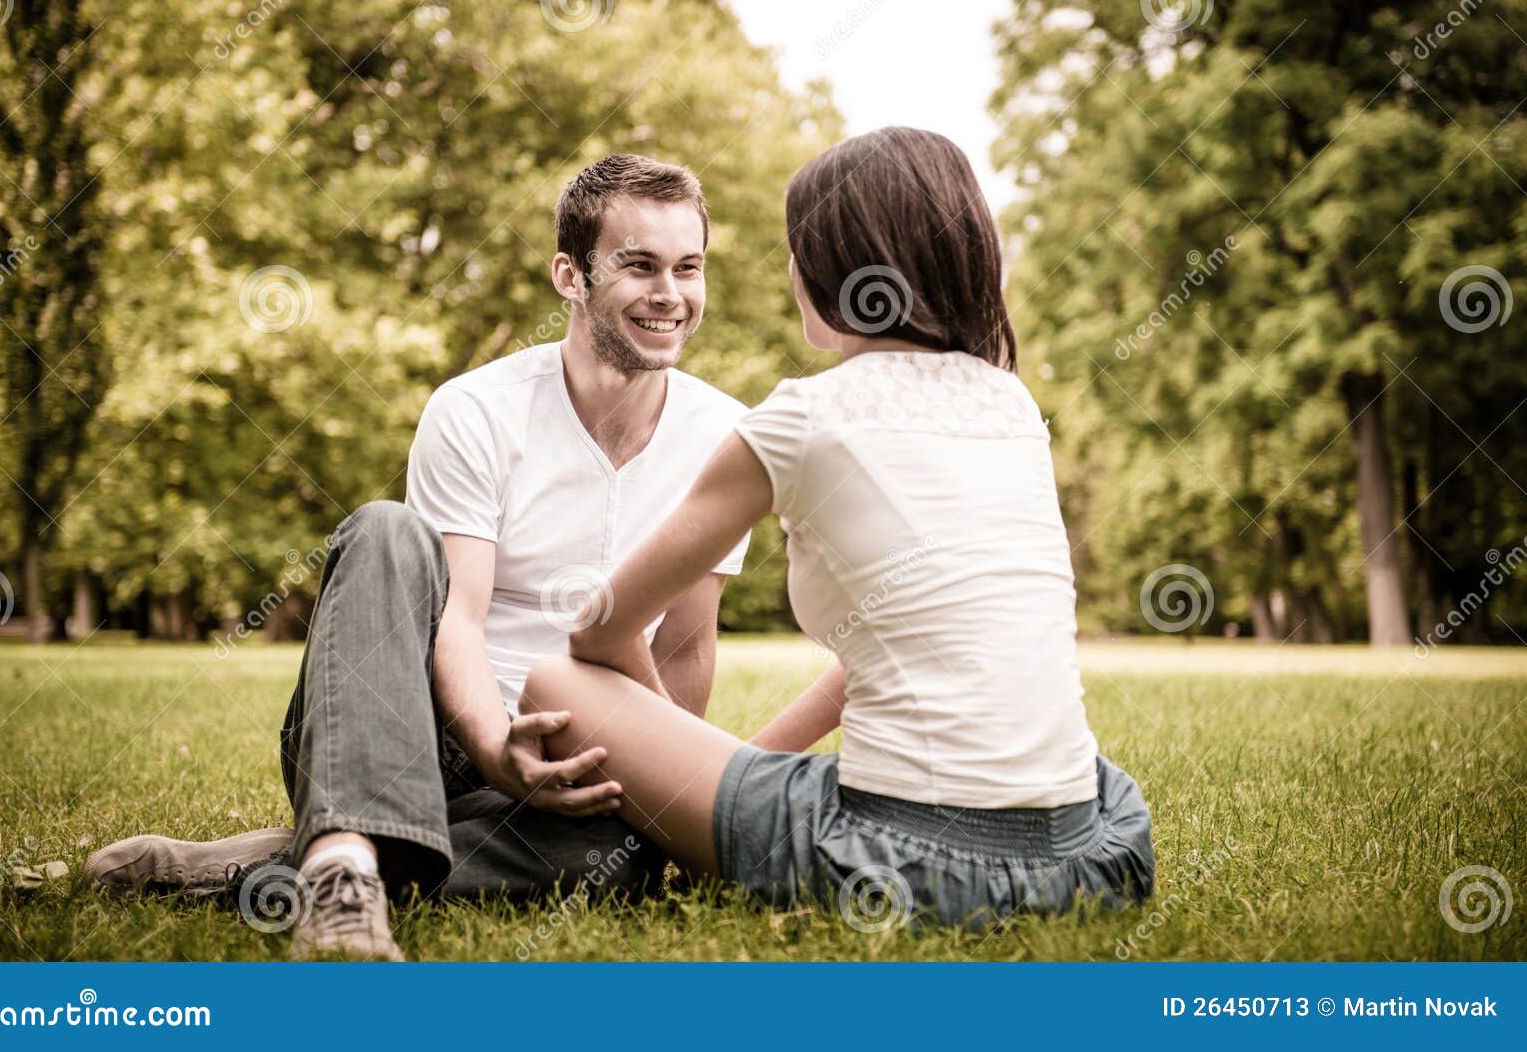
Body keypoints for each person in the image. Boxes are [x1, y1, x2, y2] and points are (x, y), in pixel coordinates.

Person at [84, 154, 752, 959]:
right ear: (570, 276)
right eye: (639, 266)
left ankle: (311, 856)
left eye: (688, 268)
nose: (670, 295)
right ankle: (343, 865)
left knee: (617, 858)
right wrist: (493, 747)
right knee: (386, 528)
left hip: (577, 754)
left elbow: (685, 642)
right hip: (412, 723)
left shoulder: (724, 435)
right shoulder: (475, 410)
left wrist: (664, 800)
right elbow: (460, 621)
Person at [521, 127, 1155, 930]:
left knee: (554, 679)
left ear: (822, 269)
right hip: (1087, 855)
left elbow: (600, 632)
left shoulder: (802, 418)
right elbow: (908, 642)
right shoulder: (1012, 405)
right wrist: (736, 770)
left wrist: (691, 780)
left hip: (900, 859)